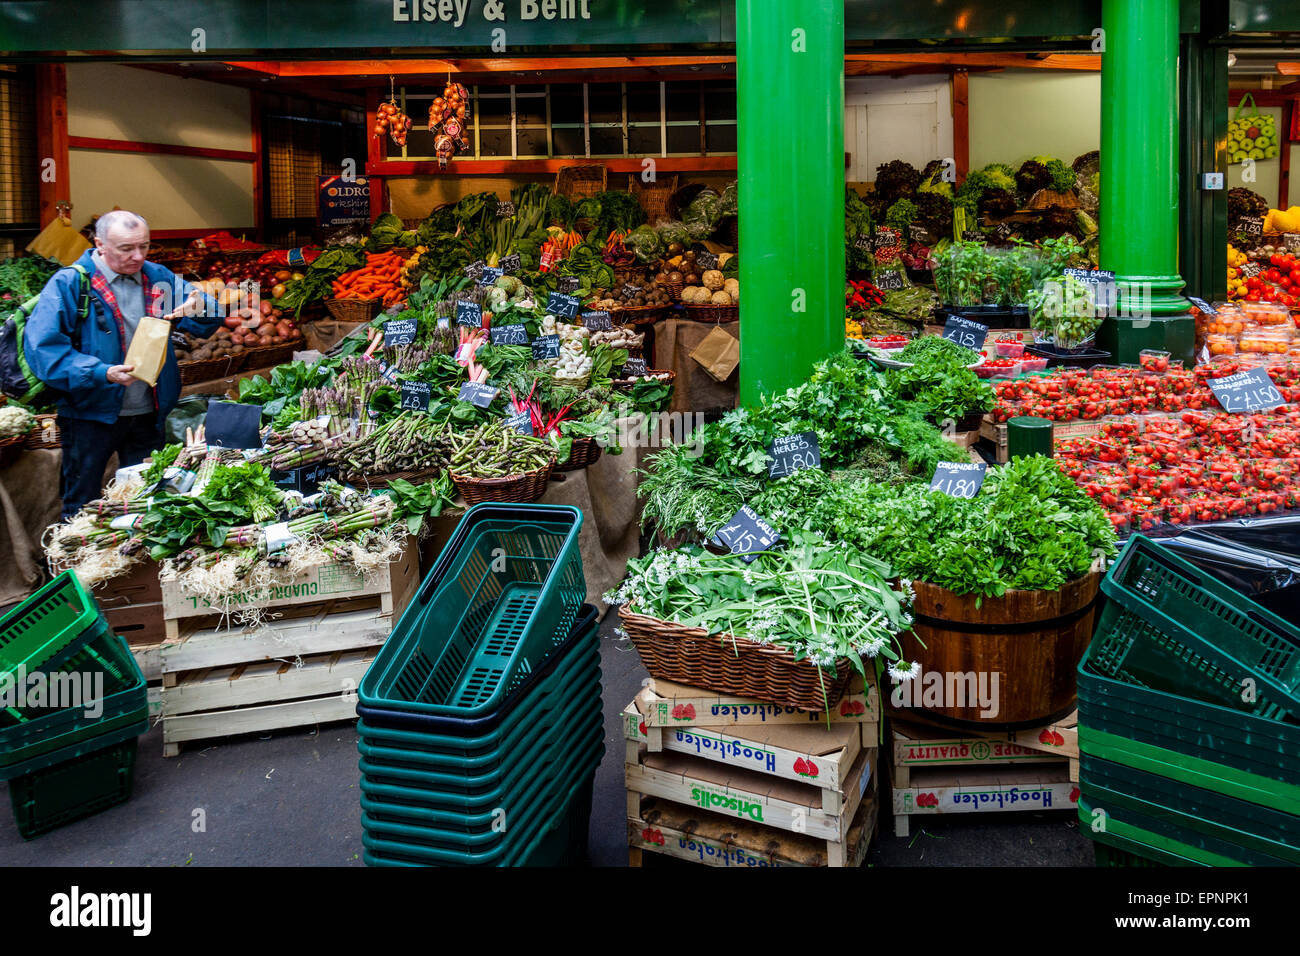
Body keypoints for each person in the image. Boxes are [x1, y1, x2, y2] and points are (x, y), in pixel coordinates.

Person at [25, 210, 221, 517]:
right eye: (126, 248)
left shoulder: (157, 276)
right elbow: (44, 350)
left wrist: (198, 307)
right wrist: (101, 372)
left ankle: (136, 563)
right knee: (82, 504)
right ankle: (73, 560)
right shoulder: (71, 284)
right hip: (89, 414)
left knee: (147, 499)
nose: (137, 256)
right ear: (99, 244)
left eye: (144, 246)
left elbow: (211, 317)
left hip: (149, 411)